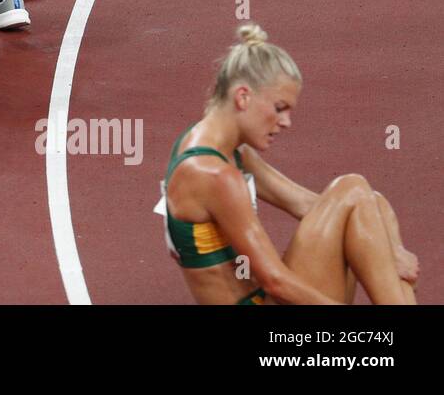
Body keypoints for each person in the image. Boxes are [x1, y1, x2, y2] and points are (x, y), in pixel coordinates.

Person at [159, 24, 418, 304]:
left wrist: (388, 249)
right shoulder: (214, 176)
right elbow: (275, 281)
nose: (286, 122)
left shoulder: (215, 147)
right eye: (279, 108)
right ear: (243, 97)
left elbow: (306, 205)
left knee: (372, 203)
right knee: (354, 190)